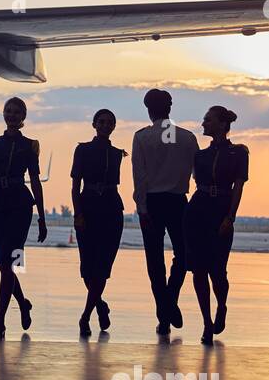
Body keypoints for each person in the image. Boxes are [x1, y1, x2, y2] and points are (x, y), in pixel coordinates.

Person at [0, 97, 47, 341]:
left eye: (17, 112)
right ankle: (23, 304)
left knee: (11, 263)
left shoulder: (30, 146)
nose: (12, 115)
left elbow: (36, 181)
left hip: (20, 204)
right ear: (3, 114)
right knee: (2, 262)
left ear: (23, 116)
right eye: (8, 111)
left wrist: (42, 217)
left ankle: (0, 322)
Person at [131, 88, 198, 336]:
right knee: (183, 256)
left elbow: (140, 176)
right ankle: (170, 300)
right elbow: (197, 174)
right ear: (170, 108)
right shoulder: (188, 138)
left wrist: (142, 208)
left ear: (149, 110)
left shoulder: (142, 138)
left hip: (152, 203)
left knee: (154, 261)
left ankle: (165, 309)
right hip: (179, 202)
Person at [184, 106, 249, 345]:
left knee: (218, 271)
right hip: (197, 211)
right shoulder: (200, 156)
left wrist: (230, 217)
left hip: (221, 210)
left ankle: (221, 305)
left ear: (222, 124)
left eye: (208, 120)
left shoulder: (239, 153)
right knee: (198, 270)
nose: (203, 124)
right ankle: (206, 323)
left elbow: (238, 187)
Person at [71, 109, 127, 338]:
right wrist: (78, 213)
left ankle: (85, 316)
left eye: (110, 123)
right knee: (87, 268)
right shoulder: (82, 150)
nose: (105, 125)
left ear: (114, 126)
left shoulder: (117, 154)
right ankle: (100, 304)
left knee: (102, 268)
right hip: (89, 207)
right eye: (102, 122)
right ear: (94, 124)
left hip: (112, 210)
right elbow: (75, 186)